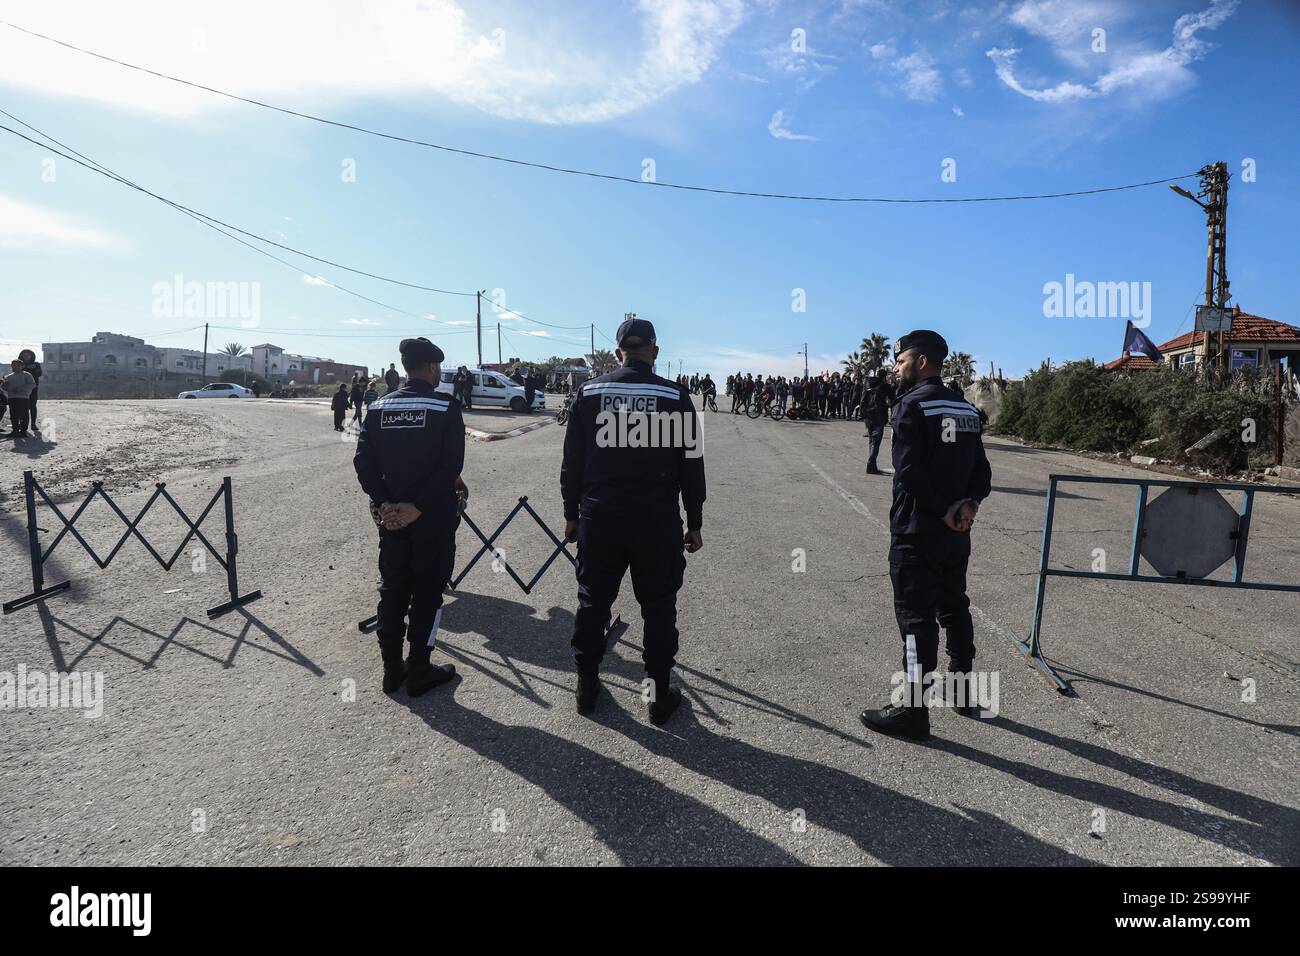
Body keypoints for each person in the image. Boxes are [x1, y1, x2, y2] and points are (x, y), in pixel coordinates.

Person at [560, 316, 706, 725]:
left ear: (619, 351)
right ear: (654, 353)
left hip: (599, 517)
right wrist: (694, 521)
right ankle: (658, 696)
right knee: (658, 608)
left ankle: (586, 688)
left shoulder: (590, 392)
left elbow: (572, 463)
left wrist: (571, 514)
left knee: (593, 601)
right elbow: (691, 466)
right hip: (654, 523)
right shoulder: (675, 396)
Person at [860, 330, 991, 742]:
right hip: (956, 533)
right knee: (955, 606)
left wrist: (941, 511)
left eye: (900, 361)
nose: (895, 368)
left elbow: (910, 473)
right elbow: (982, 474)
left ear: (919, 362)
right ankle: (963, 691)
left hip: (918, 530)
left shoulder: (912, 406)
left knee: (916, 619)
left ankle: (913, 713)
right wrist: (965, 507)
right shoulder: (966, 409)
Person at [353, 337, 465, 696]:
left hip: (392, 520)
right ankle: (418, 669)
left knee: (393, 590)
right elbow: (450, 466)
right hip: (431, 517)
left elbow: (363, 463)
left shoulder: (378, 407)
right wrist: (417, 506)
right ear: (432, 368)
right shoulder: (445, 407)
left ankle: (391, 670)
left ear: (405, 368)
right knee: (428, 594)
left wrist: (386, 503)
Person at [862, 372, 895, 475]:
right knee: (876, 441)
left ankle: (872, 463)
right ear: (884, 377)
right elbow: (892, 399)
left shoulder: (868, 383)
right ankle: (871, 464)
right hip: (879, 415)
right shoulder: (885, 386)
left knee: (872, 440)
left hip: (868, 414)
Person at [3, 359, 37, 439]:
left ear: (22, 366)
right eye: (13, 365)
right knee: (13, 415)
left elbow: (33, 384)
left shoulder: (27, 375)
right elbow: (4, 388)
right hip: (12, 398)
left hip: (23, 397)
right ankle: (15, 431)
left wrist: (20, 389)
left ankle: (23, 431)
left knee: (23, 415)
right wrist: (4, 385)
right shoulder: (9, 376)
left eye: (17, 365)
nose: (14, 367)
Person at [17, 349, 41, 433]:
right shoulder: (18, 364)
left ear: (32, 356)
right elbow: (16, 372)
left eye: (28, 355)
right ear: (21, 355)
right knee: (22, 406)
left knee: (33, 406)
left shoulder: (36, 364)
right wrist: (30, 369)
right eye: (24, 355)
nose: (26, 356)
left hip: (33, 388)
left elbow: (38, 373)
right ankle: (22, 424)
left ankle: (33, 424)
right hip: (21, 388)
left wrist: (26, 369)